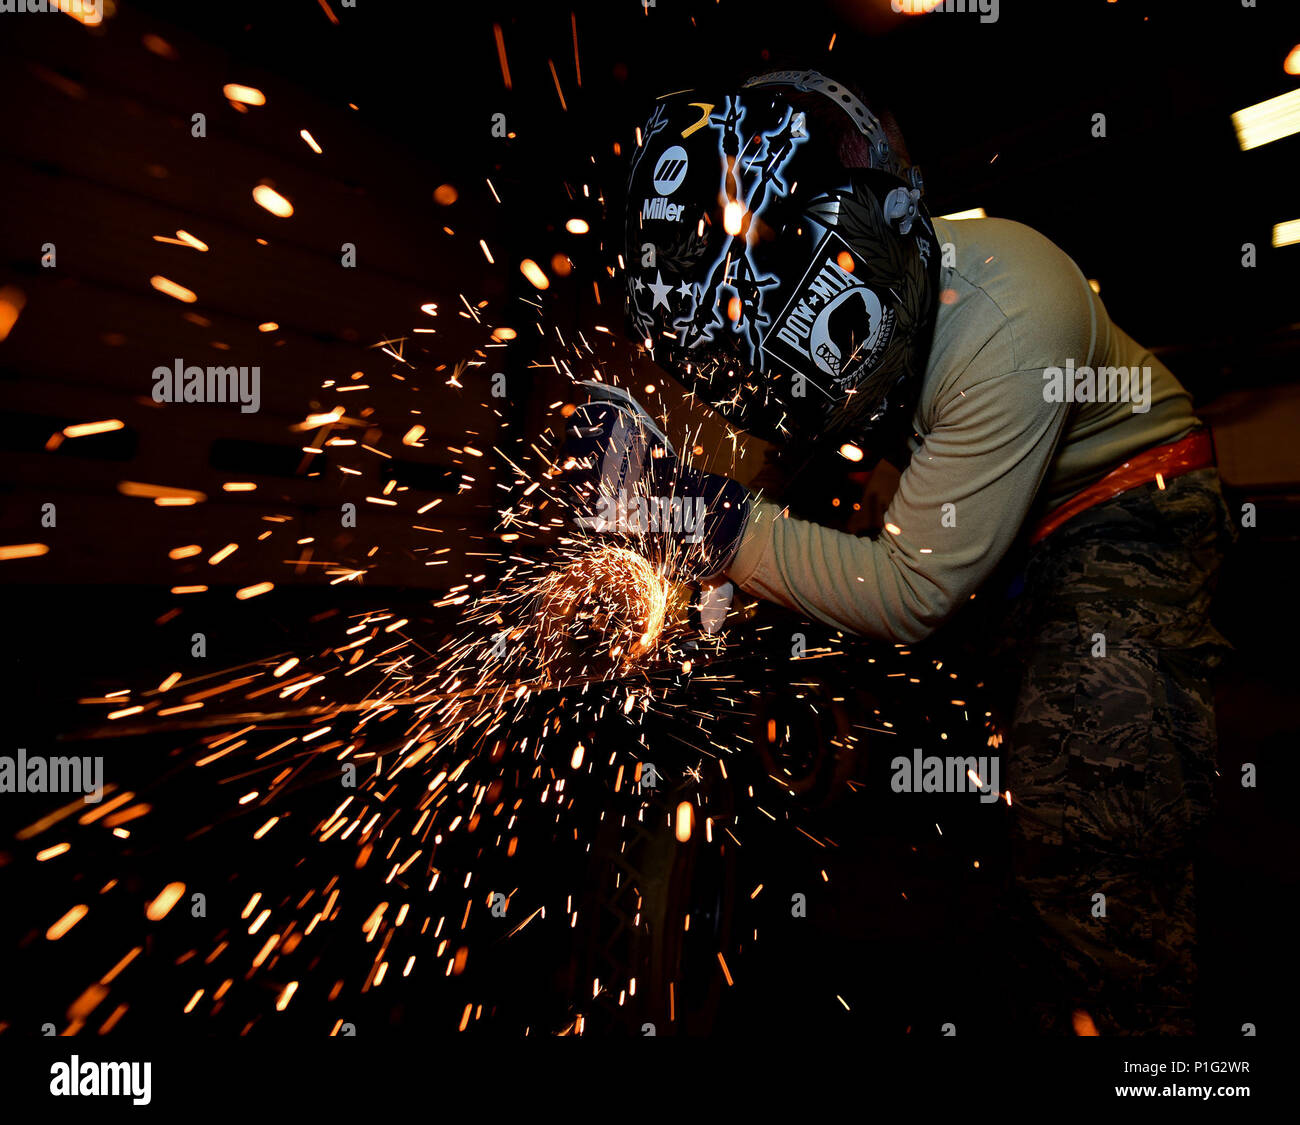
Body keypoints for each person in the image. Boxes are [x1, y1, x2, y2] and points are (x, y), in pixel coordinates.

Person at [563, 68, 1235, 1034]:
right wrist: (691, 560)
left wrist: (710, 524)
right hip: (993, 506)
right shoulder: (811, 302)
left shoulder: (1013, 314)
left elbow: (915, 587)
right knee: (1015, 798)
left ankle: (1145, 1035)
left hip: (1126, 504)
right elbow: (750, 485)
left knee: (1093, 786)